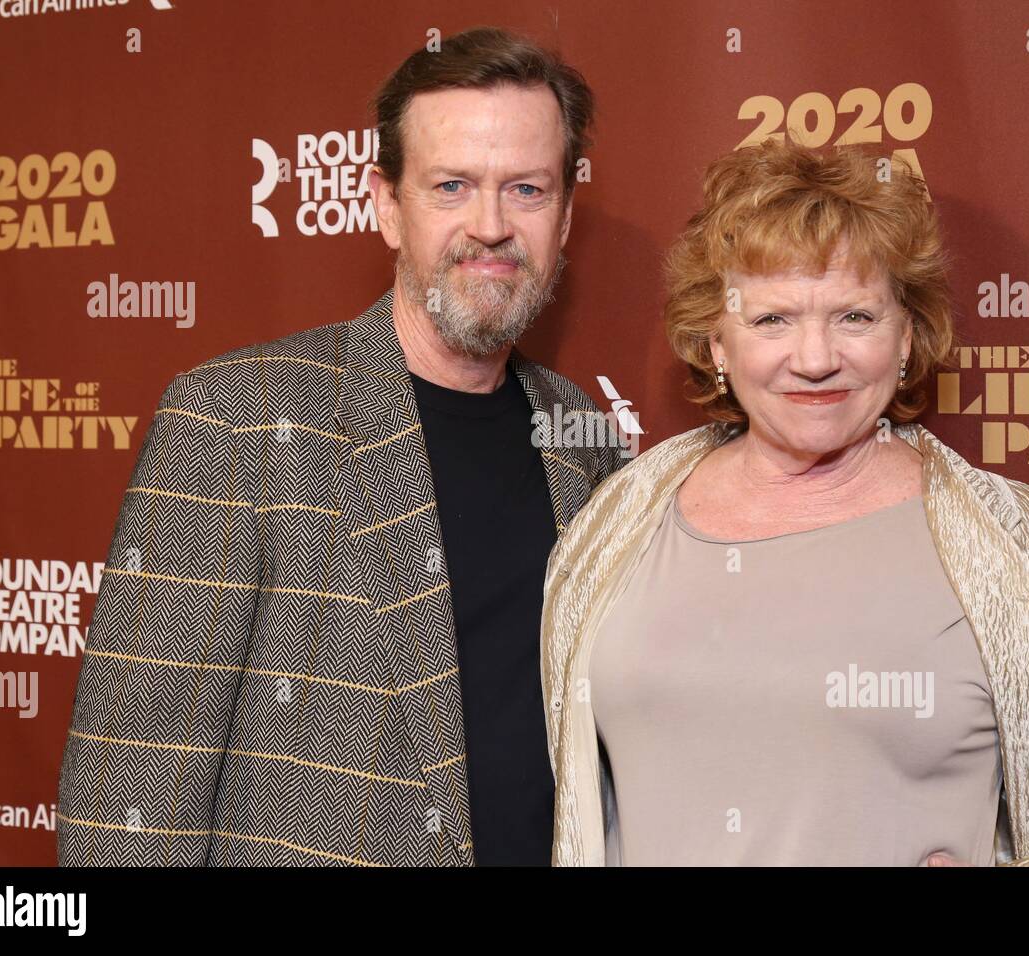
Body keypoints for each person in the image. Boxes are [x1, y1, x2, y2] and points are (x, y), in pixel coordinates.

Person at [540, 138, 1029, 866]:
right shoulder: (617, 524)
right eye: (772, 319)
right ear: (716, 342)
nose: (814, 359)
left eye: (855, 317)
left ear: (907, 334)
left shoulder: (1025, 543)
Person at [58, 26, 624, 867]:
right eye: (452, 186)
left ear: (566, 216)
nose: (492, 225)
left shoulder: (581, 438)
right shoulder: (236, 420)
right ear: (385, 205)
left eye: (528, 190)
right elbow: (126, 804)